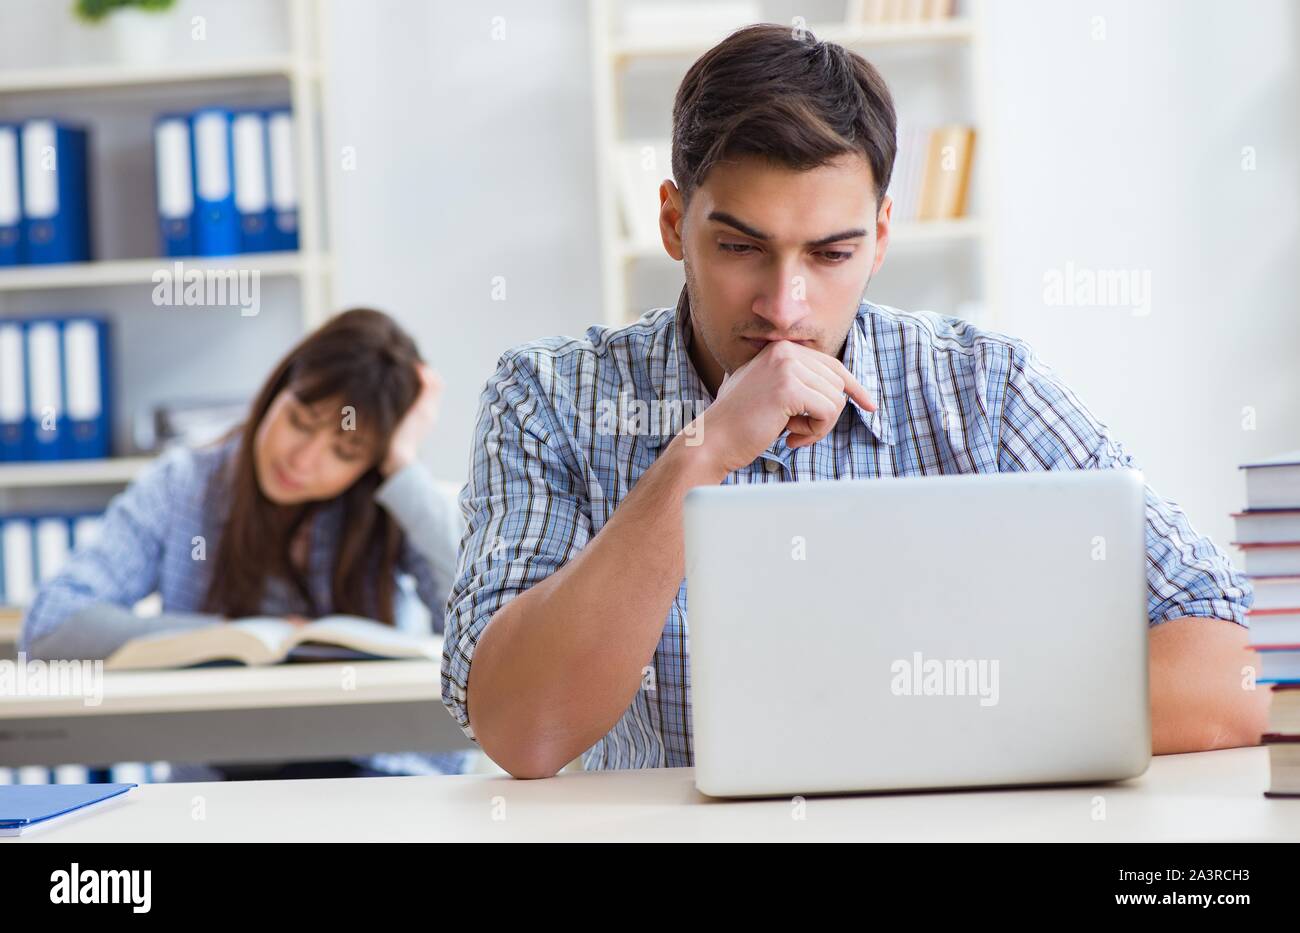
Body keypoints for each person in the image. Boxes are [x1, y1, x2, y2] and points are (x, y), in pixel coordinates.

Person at [442, 24, 1266, 779]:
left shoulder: (980, 389)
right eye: (739, 247)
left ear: (879, 237)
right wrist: (702, 452)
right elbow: (523, 729)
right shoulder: (547, 398)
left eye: (831, 253)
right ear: (671, 222)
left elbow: (1233, 667)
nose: (785, 305)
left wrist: (918, 726)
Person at [22, 307, 469, 777]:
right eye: (300, 420)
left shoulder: (395, 501)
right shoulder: (183, 486)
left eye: (345, 452)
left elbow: (478, 633)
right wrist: (223, 638)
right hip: (219, 782)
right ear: (276, 391)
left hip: (373, 777)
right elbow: (53, 627)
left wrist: (402, 465)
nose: (303, 460)